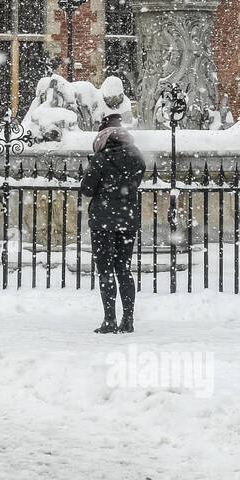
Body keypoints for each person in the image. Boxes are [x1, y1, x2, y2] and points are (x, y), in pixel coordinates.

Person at [79, 106, 147, 334]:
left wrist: (94, 168)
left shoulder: (100, 159)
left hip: (103, 222)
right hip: (127, 220)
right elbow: (134, 183)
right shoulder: (137, 156)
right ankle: (128, 320)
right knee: (124, 270)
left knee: (106, 270)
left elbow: (87, 190)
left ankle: (109, 320)